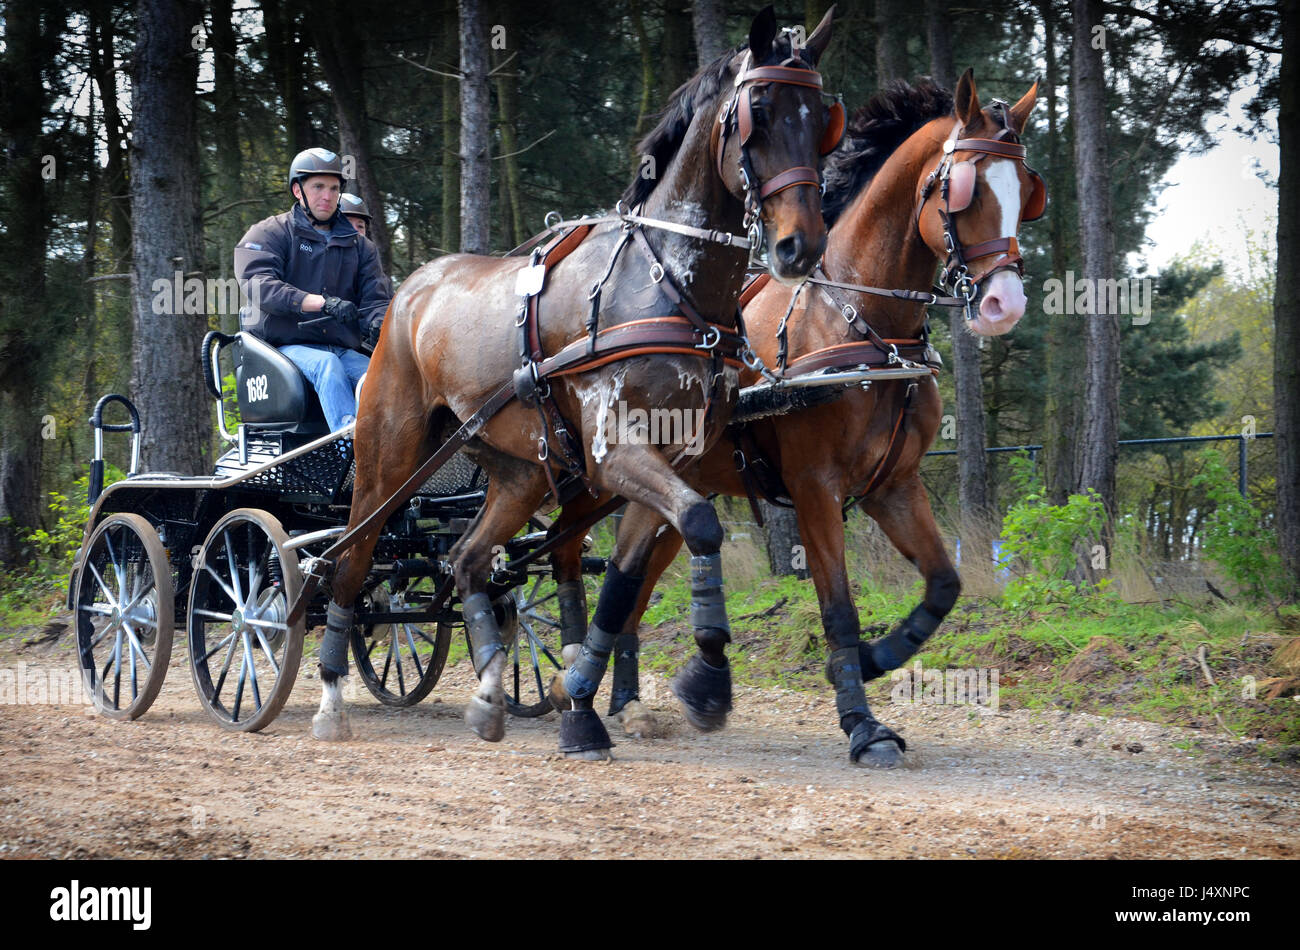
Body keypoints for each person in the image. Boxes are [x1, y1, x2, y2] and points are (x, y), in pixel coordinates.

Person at [234, 148, 389, 431]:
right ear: (297, 190)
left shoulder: (361, 246)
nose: (327, 196)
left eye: (333, 188)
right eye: (318, 187)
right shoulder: (270, 233)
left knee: (381, 375)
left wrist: (380, 324)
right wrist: (321, 303)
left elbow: (375, 299)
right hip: (284, 348)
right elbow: (260, 285)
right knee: (327, 366)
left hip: (343, 347)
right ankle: (347, 450)